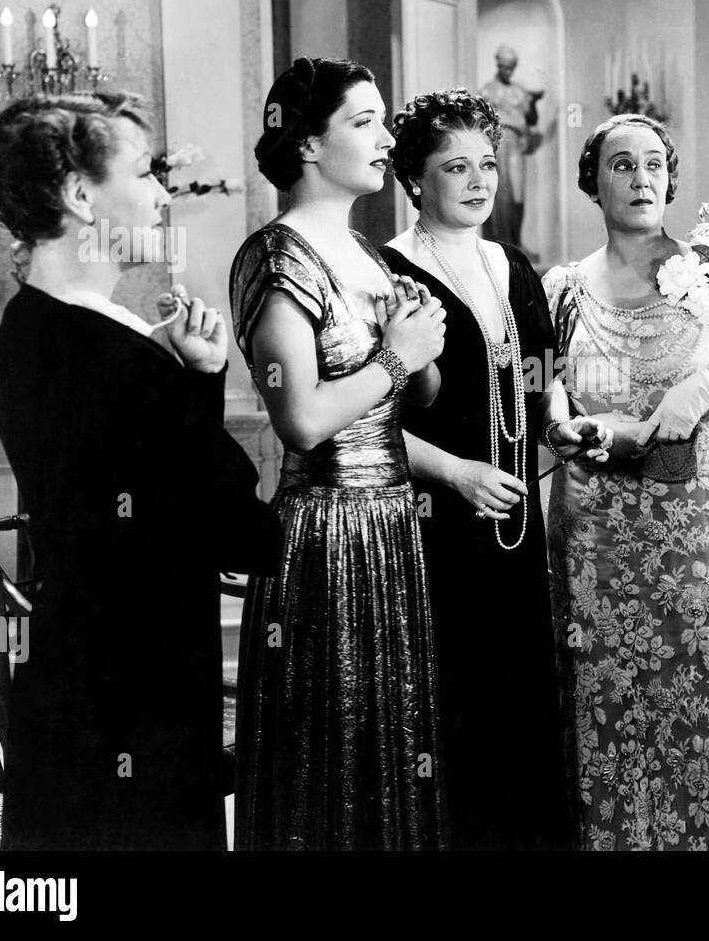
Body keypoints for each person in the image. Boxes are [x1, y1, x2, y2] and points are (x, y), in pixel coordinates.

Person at [0, 91, 282, 850]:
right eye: (143, 173)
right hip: (138, 690)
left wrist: (193, 378)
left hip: (80, 672)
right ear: (80, 195)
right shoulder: (112, 355)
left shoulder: (34, 326)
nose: (160, 194)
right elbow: (241, 536)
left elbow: (149, 493)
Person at [229, 58, 448, 850]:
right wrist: (394, 356)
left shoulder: (369, 255)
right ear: (310, 145)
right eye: (365, 122)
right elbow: (304, 422)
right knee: (328, 737)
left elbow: (411, 402)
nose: (388, 138)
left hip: (390, 524)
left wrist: (417, 349)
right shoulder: (276, 256)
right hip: (322, 535)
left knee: (388, 737)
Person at [380, 88, 603, 849]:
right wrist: (456, 474)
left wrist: (560, 425)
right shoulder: (389, 274)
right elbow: (367, 426)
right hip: (435, 526)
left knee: (521, 703)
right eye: (455, 167)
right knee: (456, 708)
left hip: (516, 526)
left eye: (487, 164)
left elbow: (540, 374)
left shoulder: (510, 263)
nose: (479, 182)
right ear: (414, 180)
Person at [545, 114, 709, 850]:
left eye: (653, 165)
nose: (641, 178)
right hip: (599, 526)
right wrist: (559, 425)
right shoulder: (564, 288)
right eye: (620, 165)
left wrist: (707, 391)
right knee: (606, 691)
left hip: (702, 520)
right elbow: (546, 387)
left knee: (698, 692)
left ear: (671, 178)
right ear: (593, 183)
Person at [480, 45, 543, 249]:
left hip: (517, 145)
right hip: (498, 145)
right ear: (498, 65)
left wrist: (533, 102)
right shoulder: (487, 91)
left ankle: (515, 242)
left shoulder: (519, 90)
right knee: (500, 193)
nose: (508, 71)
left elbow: (532, 119)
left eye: (511, 67)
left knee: (517, 193)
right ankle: (500, 243)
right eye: (504, 66)